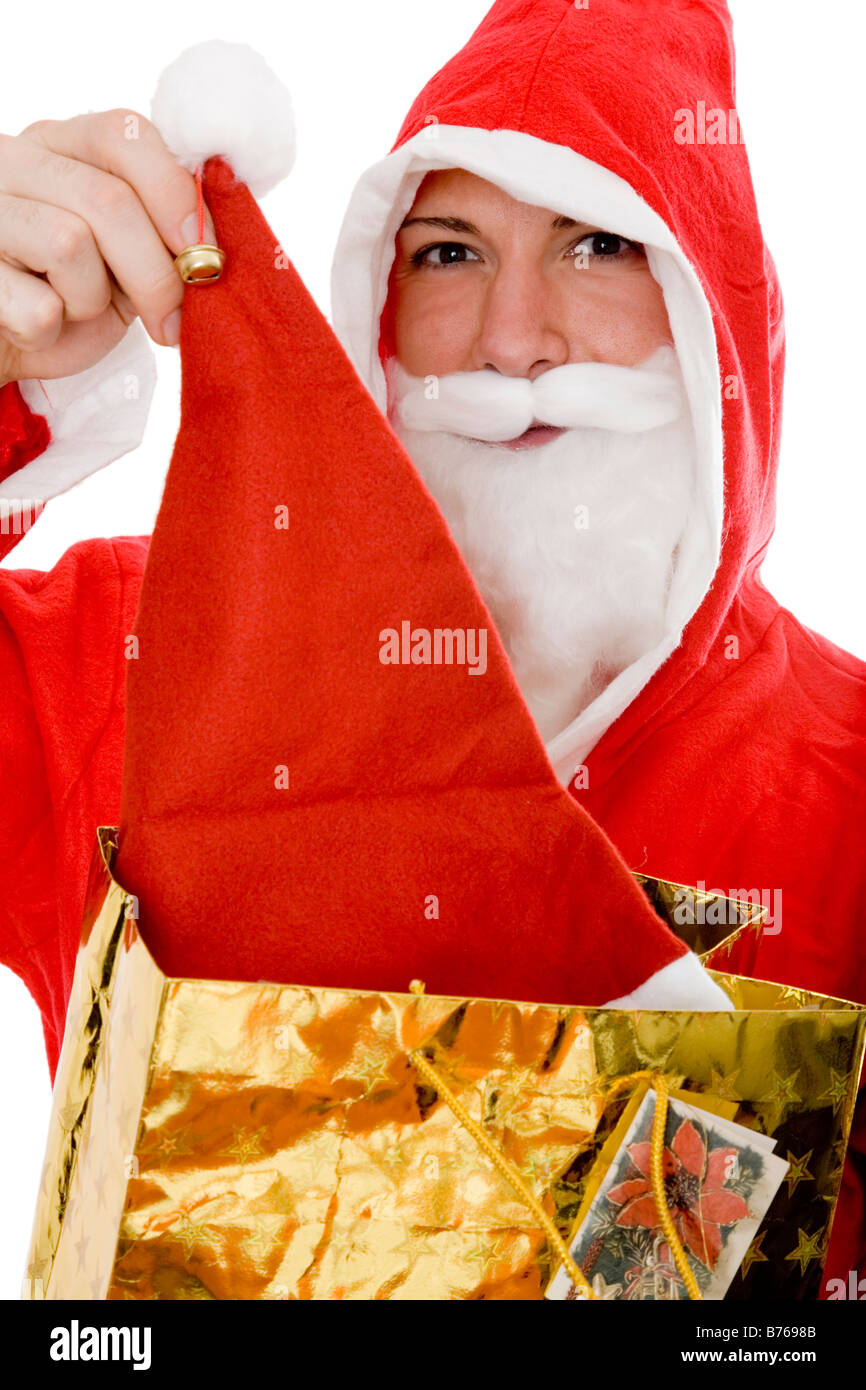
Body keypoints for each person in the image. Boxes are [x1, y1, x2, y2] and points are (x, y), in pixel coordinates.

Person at [1, 0, 863, 1298]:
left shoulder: (845, 789)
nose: (514, 341)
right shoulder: (132, 651)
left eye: (596, 242)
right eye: (449, 252)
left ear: (713, 315)